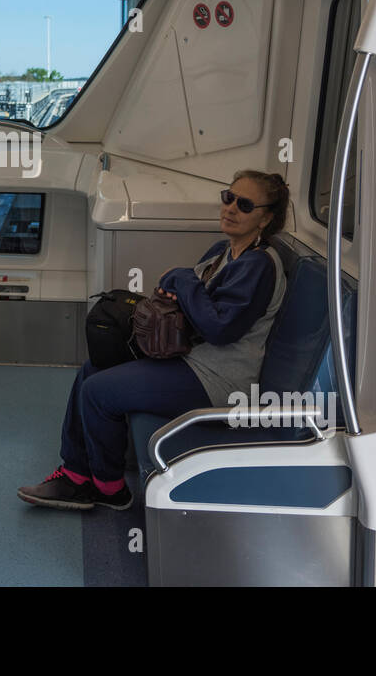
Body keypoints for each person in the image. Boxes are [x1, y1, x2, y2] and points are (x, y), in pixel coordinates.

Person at [17, 169, 290, 511]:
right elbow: (196, 306)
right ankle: (75, 475)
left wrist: (183, 281)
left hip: (219, 378)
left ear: (265, 218)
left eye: (245, 204)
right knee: (92, 368)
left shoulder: (258, 265)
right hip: (191, 357)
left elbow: (220, 329)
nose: (231, 208)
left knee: (98, 392)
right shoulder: (223, 251)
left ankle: (109, 489)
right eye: (228, 198)